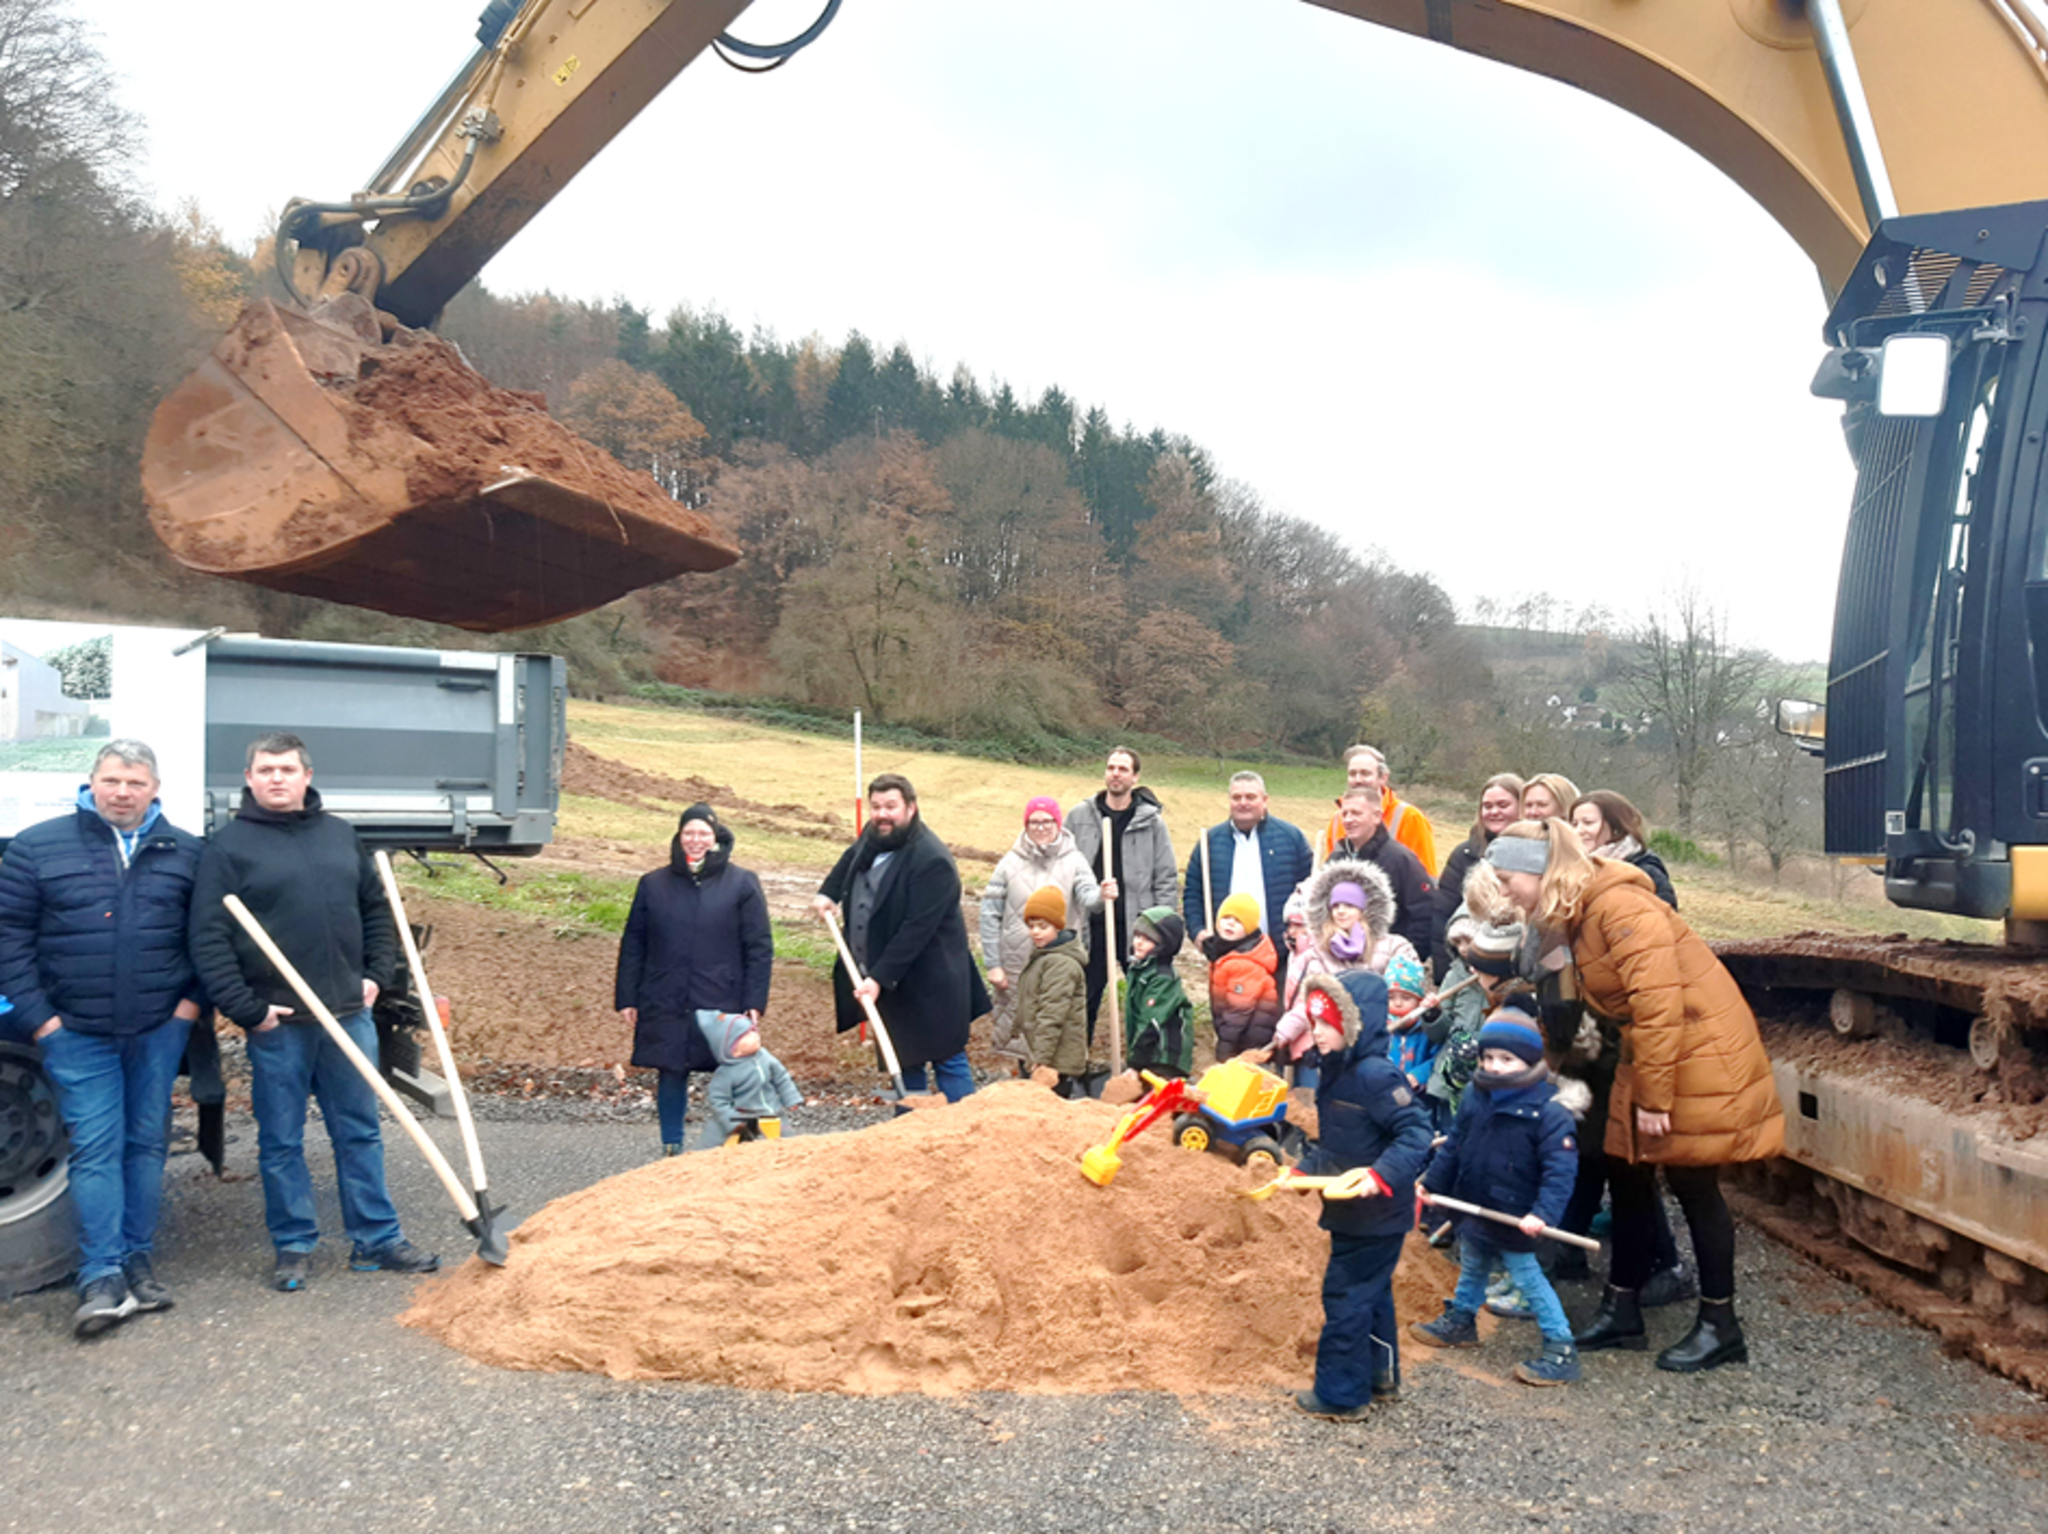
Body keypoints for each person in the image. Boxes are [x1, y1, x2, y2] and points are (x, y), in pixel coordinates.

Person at [1486, 818, 1784, 1373]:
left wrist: (1655, 1100)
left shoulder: (1620, 909)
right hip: (1646, 1052)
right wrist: (1548, 1072)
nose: (1504, 891)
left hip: (1694, 1053)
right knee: (1626, 1172)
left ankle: (1721, 1325)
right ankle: (1621, 1309)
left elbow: (1659, 1006)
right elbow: (1571, 1004)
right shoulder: (1567, 915)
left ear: (1539, 871)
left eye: (1508, 879)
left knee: (1694, 1183)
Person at [188, 732, 437, 1292]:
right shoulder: (228, 848)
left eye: (287, 769)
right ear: (249, 779)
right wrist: (248, 1009)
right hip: (280, 1025)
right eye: (265, 769)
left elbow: (376, 911)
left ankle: (376, 1239)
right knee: (280, 1140)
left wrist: (375, 975)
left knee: (360, 1131)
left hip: (348, 1014)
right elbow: (207, 938)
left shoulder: (340, 836)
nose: (277, 778)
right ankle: (294, 1243)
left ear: (306, 776)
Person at [0, 740, 206, 1335]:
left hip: (158, 1029)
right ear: (91, 783)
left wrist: (189, 1008)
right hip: (76, 1032)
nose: (122, 792)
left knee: (145, 1145)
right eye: (112, 781)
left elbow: (209, 937)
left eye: (135, 783)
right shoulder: (39, 846)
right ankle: (101, 1276)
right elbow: (9, 937)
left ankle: (138, 1263)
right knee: (95, 1149)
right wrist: (43, 1019)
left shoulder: (186, 852)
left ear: (155, 789)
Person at [1411, 1009, 1583, 1386]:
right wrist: (1433, 1183)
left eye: (1507, 1059)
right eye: (1489, 1058)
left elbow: (1560, 1169)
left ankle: (1561, 1345)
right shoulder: (1476, 1093)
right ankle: (1462, 1320)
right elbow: (1456, 1145)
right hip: (1476, 1202)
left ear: (1530, 1060)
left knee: (1528, 1278)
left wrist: (1544, 1214)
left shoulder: (1549, 1110)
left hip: (1517, 1212)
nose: (1495, 1066)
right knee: (1472, 1263)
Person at [1291, 970, 1433, 1420]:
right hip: (1350, 1210)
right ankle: (1380, 1377)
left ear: (1353, 1026)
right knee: (1371, 1293)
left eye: (1326, 1025)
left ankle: (1341, 1395)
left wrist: (1380, 1174)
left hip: (1377, 1213)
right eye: (1314, 1024)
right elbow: (1337, 1144)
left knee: (1346, 1296)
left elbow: (1417, 1132)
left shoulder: (1374, 1075)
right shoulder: (1335, 1070)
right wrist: (1301, 1170)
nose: (1316, 1033)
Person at [815, 774, 990, 1103]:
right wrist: (829, 892)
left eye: (891, 806)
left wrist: (879, 977)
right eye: (877, 806)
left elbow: (916, 930)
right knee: (904, 1058)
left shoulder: (932, 860)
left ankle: (969, 1127)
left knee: (946, 1058)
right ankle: (910, 1133)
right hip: (894, 979)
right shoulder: (877, 834)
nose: (882, 814)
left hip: (933, 982)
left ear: (911, 808)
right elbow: (852, 856)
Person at [615, 803, 773, 1156]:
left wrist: (754, 1000)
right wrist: (628, 996)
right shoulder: (653, 884)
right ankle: (671, 1147)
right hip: (666, 995)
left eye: (703, 833)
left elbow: (759, 947)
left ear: (715, 838)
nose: (695, 840)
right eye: (689, 832)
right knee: (671, 1070)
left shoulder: (742, 883)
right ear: (679, 836)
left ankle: (738, 1146)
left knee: (734, 1074)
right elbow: (634, 943)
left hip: (722, 996)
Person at [1065, 747, 1178, 1030]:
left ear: (1135, 776)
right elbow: (1062, 868)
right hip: (1092, 925)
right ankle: (1078, 1066)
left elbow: (1165, 877)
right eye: (1111, 767)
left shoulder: (1151, 821)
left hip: (1137, 929)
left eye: (1123, 769)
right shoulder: (1080, 815)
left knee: (1145, 1000)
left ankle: (1144, 1065)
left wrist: (1160, 929)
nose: (1115, 773)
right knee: (1084, 999)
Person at [980, 797, 1099, 1064]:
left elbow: (1089, 899)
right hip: (1016, 962)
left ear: (1058, 823)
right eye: (1034, 822)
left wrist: (1103, 896)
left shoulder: (1075, 861)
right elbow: (989, 914)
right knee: (1020, 1025)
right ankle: (1026, 1085)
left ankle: (1054, 1088)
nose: (1041, 827)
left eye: (1047, 821)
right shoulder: (1009, 863)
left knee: (1055, 1022)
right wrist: (993, 964)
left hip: (1058, 963)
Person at [1183, 773, 1313, 994]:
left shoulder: (1291, 838)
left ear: (1265, 800)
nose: (1243, 803)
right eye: (1237, 797)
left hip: (1279, 954)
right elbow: (1193, 892)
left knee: (1279, 1022)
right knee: (1231, 1021)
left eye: (1250, 797)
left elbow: (1311, 891)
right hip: (1227, 954)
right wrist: (1198, 932)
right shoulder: (1209, 842)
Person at [1431, 772, 1525, 979]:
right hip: (1467, 968)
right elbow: (1441, 915)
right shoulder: (1464, 855)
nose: (1494, 812)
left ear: (1522, 807)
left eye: (1503, 805)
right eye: (1487, 806)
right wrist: (1444, 971)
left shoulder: (1536, 854)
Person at [1323, 785, 1434, 958]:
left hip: (1387, 964)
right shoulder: (1336, 858)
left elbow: (1423, 914)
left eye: (1356, 813)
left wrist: (1404, 959)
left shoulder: (1401, 860)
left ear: (1377, 817)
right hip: (1339, 960)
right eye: (1344, 814)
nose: (1348, 820)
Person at [1014, 886, 1089, 1096]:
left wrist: (1041, 1058)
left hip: (1056, 1057)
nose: (1035, 932)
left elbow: (1053, 1013)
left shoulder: (1060, 964)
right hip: (1042, 1049)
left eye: (1043, 926)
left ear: (1057, 927)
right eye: (1031, 926)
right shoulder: (1043, 957)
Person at [1318, 745, 1439, 875]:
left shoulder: (1410, 818)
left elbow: (1426, 878)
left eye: (1365, 773)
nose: (1358, 780)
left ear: (1383, 778)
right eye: (1353, 774)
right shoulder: (1337, 820)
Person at [697, 1009, 803, 1149]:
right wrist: (732, 1121)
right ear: (732, 1047)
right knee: (716, 1141)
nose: (755, 1036)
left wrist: (791, 1098)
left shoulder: (765, 1057)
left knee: (787, 1142)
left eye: (754, 1031)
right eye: (747, 1035)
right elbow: (718, 1101)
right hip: (742, 1116)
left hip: (772, 1112)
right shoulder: (726, 1073)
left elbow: (781, 1078)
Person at [1201, 892, 1281, 1062]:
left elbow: (1239, 1011)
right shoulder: (1223, 953)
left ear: (1249, 928)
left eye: (1238, 921)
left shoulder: (1244, 963)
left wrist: (1225, 1047)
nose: (1230, 922)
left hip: (1251, 1037)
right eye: (1226, 917)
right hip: (1236, 1032)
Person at [1569, 790, 1678, 909]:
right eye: (1574, 824)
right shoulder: (1571, 869)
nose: (1578, 831)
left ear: (1616, 825)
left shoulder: (1645, 870)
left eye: (1588, 823)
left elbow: (1665, 918)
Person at [1124, 907, 1194, 1080]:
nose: (1138, 942)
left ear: (1163, 945)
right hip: (1150, 1051)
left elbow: (1151, 1022)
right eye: (1137, 936)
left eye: (1147, 939)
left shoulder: (1162, 978)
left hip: (1165, 1054)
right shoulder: (1140, 969)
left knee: (1158, 1096)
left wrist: (1136, 1064)